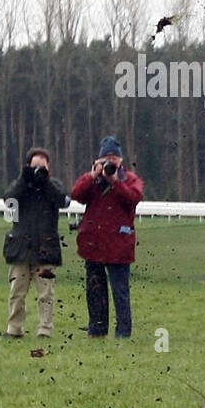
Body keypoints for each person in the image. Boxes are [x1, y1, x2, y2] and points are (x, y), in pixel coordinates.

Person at [70, 136, 144, 339]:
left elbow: (133, 198)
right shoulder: (93, 181)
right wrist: (93, 175)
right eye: (106, 159)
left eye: (114, 158)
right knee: (95, 290)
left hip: (119, 245)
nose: (110, 163)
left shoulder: (130, 179)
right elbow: (76, 194)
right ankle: (97, 329)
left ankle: (123, 332)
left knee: (120, 292)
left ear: (121, 160)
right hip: (93, 244)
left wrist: (114, 182)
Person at [2, 148, 70, 338]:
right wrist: (26, 179)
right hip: (21, 247)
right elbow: (8, 200)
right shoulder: (20, 186)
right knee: (17, 292)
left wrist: (45, 181)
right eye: (36, 166)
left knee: (46, 293)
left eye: (43, 166)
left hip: (45, 248)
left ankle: (45, 329)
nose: (40, 170)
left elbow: (62, 200)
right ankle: (14, 328)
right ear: (28, 167)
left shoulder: (54, 185)